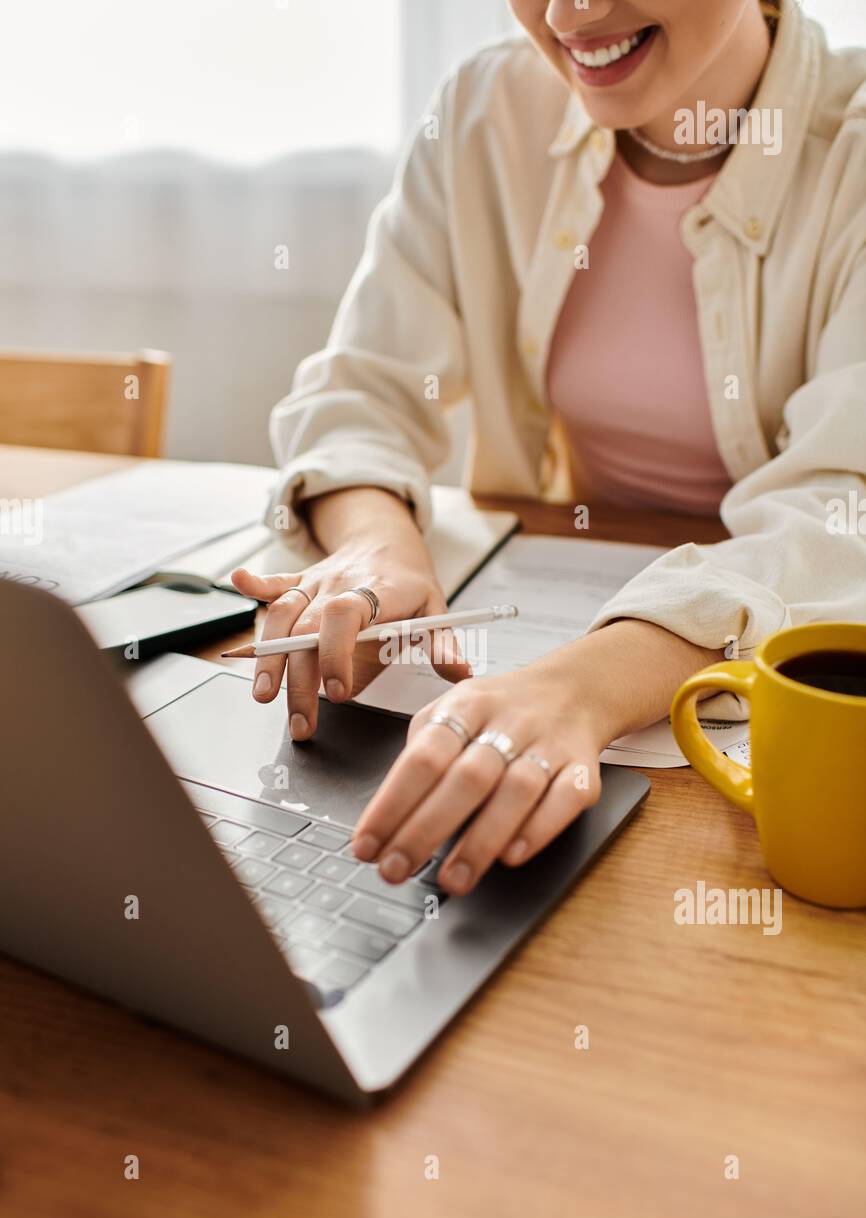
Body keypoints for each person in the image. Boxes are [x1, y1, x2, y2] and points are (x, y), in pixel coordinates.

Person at [233, 0, 866, 897]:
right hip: (551, 625)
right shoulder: (486, 112)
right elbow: (361, 390)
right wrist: (378, 545)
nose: (571, 13)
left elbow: (844, 506)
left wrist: (582, 691)